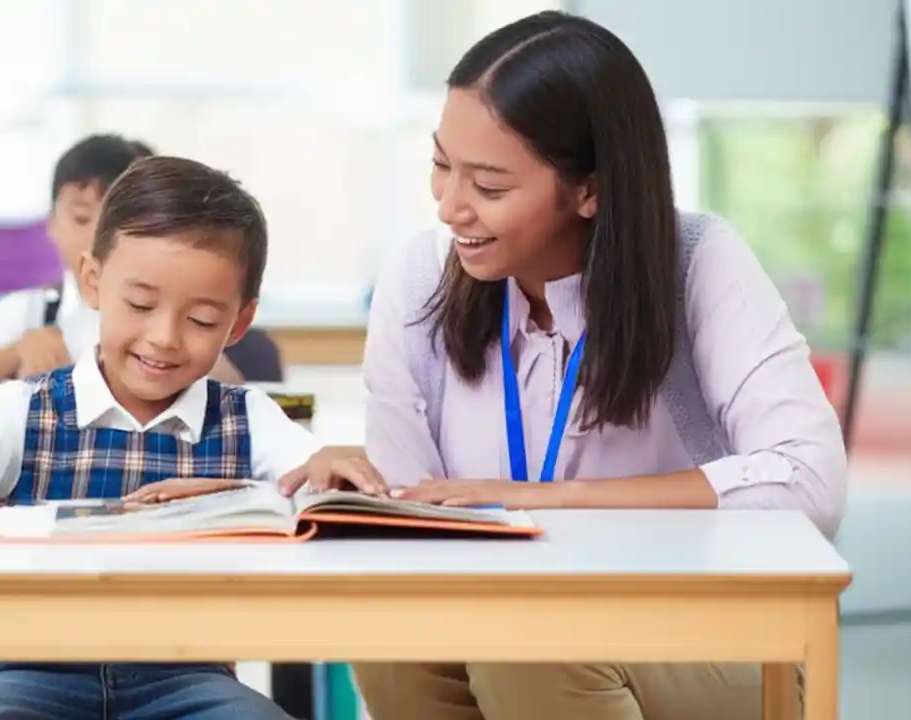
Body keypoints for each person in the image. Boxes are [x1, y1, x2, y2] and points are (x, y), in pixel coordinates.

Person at [329, 11, 846, 720]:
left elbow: (810, 483)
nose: (450, 207)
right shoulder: (420, 277)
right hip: (502, 627)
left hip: (708, 636)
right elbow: (414, 510)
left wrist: (546, 500)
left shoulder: (697, 262)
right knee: (397, 645)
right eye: (442, 165)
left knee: (533, 646)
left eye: (489, 185)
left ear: (590, 189)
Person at [0, 156, 382, 719]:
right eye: (140, 305)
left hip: (190, 681)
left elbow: (320, 484)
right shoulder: (25, 408)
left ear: (239, 323)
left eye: (203, 321)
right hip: (25, 676)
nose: (163, 338)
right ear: (93, 282)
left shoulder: (248, 418)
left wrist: (334, 465)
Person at [0, 134, 245, 402]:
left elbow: (233, 391)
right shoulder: (30, 310)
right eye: (81, 217)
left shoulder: (173, 316)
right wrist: (18, 351)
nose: (95, 234)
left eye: (112, 219)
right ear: (52, 224)